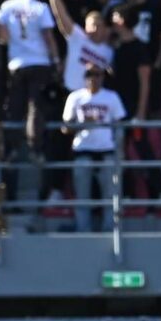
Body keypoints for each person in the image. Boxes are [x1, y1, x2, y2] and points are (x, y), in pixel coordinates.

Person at [0, 0, 60, 156]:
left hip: (16, 64)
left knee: (15, 105)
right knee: (35, 106)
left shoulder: (8, 6)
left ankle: (12, 146)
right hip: (40, 63)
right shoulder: (41, 7)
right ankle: (34, 147)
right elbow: (48, 36)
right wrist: (56, 60)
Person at [62, 66, 127, 232]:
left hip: (106, 150)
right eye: (89, 74)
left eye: (97, 74)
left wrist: (120, 151)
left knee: (110, 194)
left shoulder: (111, 97)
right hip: (83, 150)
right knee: (82, 195)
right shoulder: (75, 97)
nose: (93, 78)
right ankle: (83, 228)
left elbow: (119, 126)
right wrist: (83, 124)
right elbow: (65, 127)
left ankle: (110, 229)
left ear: (102, 77)